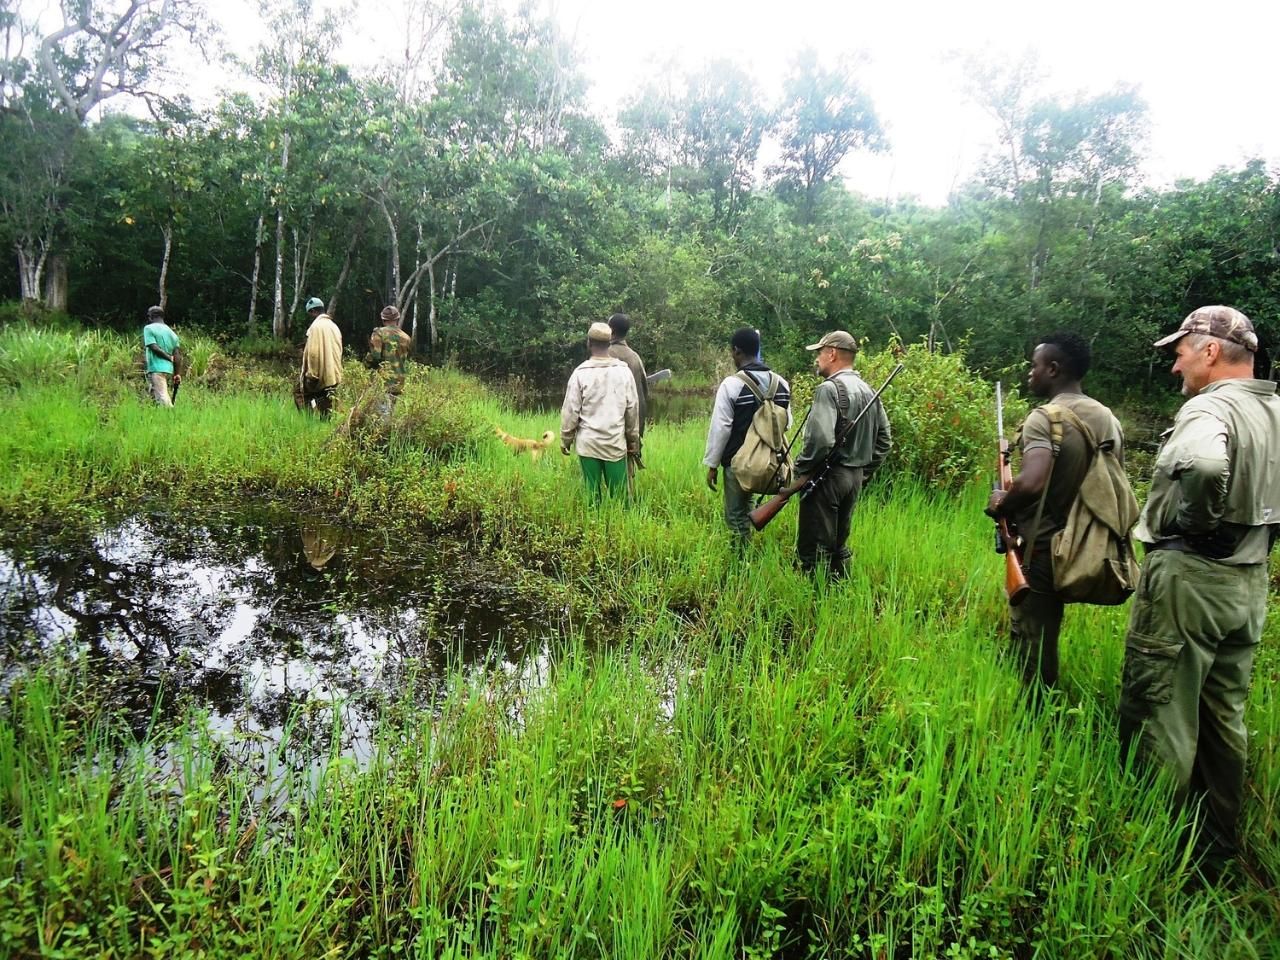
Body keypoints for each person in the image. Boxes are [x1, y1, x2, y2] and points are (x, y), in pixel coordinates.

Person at [1119, 305, 1280, 883]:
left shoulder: (1210, 406)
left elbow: (1208, 465)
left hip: (1191, 578)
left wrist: (1198, 523)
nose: (1175, 365)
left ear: (1211, 350)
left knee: (1160, 708)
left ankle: (1147, 860)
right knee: (1223, 717)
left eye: (1180, 350)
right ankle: (1214, 856)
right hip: (1250, 581)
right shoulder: (1274, 408)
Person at [984, 332, 1128, 694]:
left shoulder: (1044, 418)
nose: (1030, 373)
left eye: (1034, 366)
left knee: (1033, 637)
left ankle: (1034, 719)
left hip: (1044, 547)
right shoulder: (1108, 418)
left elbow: (1032, 482)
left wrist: (1001, 503)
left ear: (1053, 368)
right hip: (1085, 545)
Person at [782, 330, 891, 578]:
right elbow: (884, 441)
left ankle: (812, 600)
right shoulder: (868, 390)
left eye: (820, 353)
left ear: (832, 354)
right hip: (853, 479)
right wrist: (862, 472)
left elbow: (820, 441)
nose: (817, 359)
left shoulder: (828, 390)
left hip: (826, 478)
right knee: (838, 544)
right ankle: (839, 590)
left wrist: (801, 470)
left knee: (814, 548)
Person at [703, 327, 792, 544]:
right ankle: (748, 548)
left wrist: (712, 464)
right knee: (748, 506)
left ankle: (740, 560)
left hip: (737, 462)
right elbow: (788, 423)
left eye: (732, 352)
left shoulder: (731, 385)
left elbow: (721, 428)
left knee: (735, 516)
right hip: (769, 463)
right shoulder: (781, 383)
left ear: (736, 351)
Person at [560, 321, 640, 502]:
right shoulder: (623, 372)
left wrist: (566, 440)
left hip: (588, 445)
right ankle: (619, 529)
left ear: (589, 343)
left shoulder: (580, 373)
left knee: (592, 497)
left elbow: (570, 412)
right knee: (619, 500)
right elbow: (632, 409)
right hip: (614, 445)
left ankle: (594, 528)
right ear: (609, 342)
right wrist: (633, 440)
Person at [607, 312, 648, 485]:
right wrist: (637, 435)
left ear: (612, 331)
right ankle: (625, 509)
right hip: (630, 428)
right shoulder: (635, 358)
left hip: (605, 429)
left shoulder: (604, 355)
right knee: (626, 478)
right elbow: (642, 398)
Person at [297, 296, 343, 417]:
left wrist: (311, 375)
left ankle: (307, 420)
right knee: (327, 401)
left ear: (313, 311)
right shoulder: (334, 326)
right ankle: (325, 424)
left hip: (319, 374)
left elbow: (313, 354)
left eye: (310, 313)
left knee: (299, 393)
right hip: (334, 374)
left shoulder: (315, 327)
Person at [367, 304, 413, 416]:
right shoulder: (406, 337)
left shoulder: (379, 333)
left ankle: (384, 432)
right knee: (390, 412)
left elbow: (375, 356)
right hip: (399, 381)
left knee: (382, 415)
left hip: (383, 381)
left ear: (383, 319)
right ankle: (390, 431)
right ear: (397, 319)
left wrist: (366, 364)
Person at [141, 305, 181, 406]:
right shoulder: (172, 333)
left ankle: (172, 417)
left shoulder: (148, 329)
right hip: (167, 369)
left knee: (163, 398)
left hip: (156, 368)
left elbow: (153, 347)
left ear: (151, 317)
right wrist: (177, 373)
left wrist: (168, 358)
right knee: (153, 395)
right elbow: (177, 355)